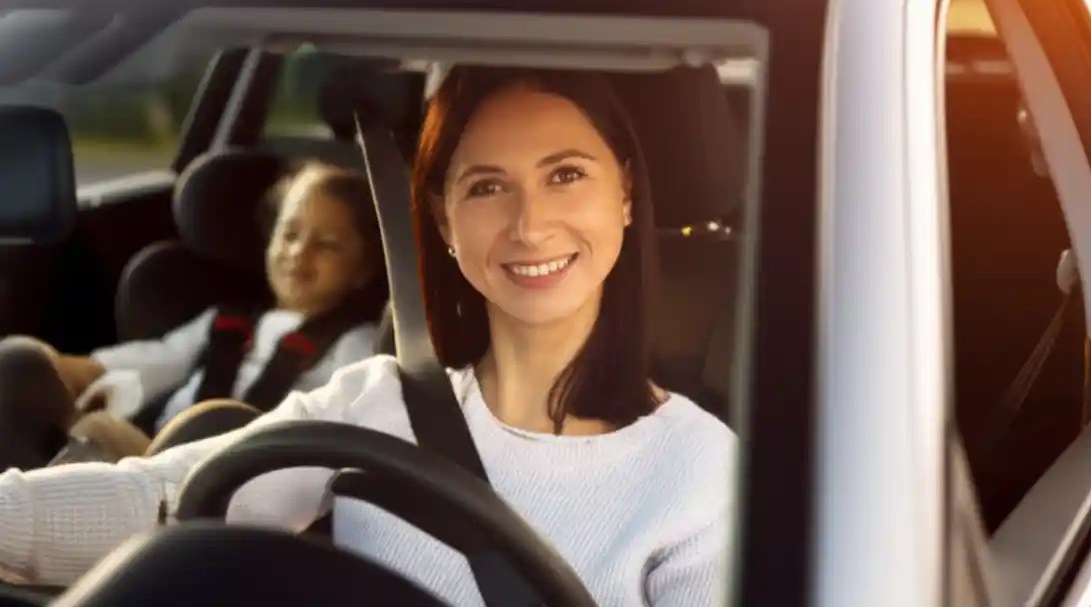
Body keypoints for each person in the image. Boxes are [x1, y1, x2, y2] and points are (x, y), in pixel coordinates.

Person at [0, 66, 736, 606]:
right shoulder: (373, 405)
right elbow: (162, 500)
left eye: (566, 174)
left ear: (627, 194)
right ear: (445, 224)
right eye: (486, 186)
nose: (530, 223)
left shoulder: (700, 471)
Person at [0, 162, 386, 470]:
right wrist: (69, 368)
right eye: (289, 235)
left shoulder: (355, 343)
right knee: (23, 360)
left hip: (229, 477)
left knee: (97, 429)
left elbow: (344, 421)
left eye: (328, 245)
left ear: (364, 269)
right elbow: (159, 357)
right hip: (156, 454)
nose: (299, 254)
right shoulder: (226, 323)